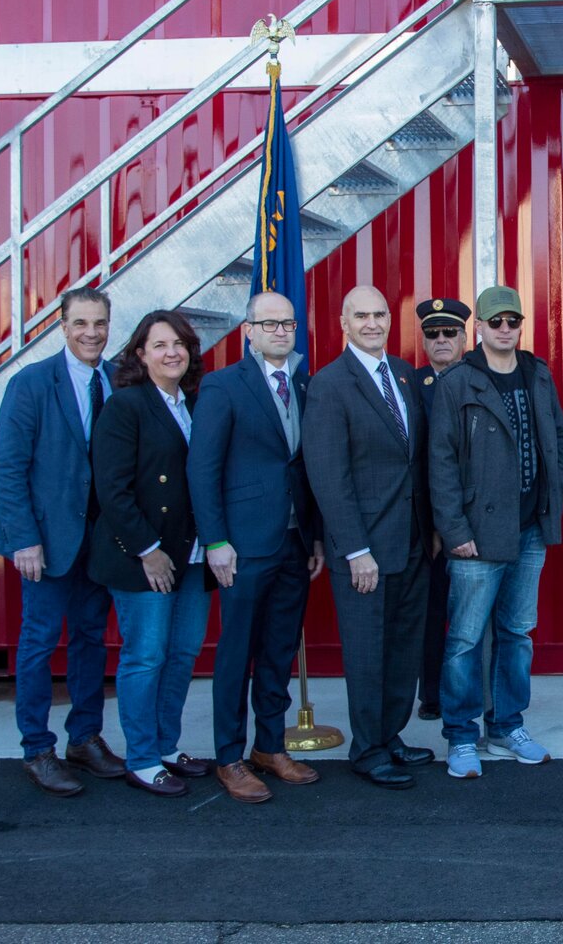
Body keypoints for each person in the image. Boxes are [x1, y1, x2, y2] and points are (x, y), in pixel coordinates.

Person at [187, 292, 326, 804]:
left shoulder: (305, 385)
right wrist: (216, 541)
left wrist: (312, 536)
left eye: (287, 323)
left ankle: (271, 746)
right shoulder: (223, 386)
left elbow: (304, 467)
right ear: (248, 330)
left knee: (278, 651)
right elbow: (202, 470)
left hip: (293, 542)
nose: (280, 331)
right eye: (268, 324)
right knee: (236, 652)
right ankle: (230, 756)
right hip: (242, 546)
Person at [429, 285, 563, 780]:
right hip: (476, 536)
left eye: (513, 321)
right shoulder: (458, 382)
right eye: (496, 322)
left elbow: (558, 437)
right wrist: (454, 529)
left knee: (517, 634)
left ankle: (507, 726)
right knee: (465, 640)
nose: (506, 329)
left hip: (530, 529)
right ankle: (462, 736)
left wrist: (554, 491)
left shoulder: (537, 373)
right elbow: (440, 463)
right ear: (480, 328)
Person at [0, 287, 127, 795]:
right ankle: (37, 749)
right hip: (44, 542)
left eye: (100, 323)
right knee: (39, 641)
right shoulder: (31, 383)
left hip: (98, 541)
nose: (92, 333)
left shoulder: (117, 379)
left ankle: (84, 739)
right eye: (81, 323)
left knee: (91, 638)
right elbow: (6, 466)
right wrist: (24, 539)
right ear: (61, 326)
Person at [304, 286, 433, 790]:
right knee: (367, 652)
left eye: (380, 314)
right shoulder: (329, 385)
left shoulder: (402, 373)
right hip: (365, 550)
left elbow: (413, 462)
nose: (373, 323)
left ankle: (391, 734)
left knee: (403, 648)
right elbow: (328, 477)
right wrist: (356, 550)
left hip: (413, 542)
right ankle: (367, 749)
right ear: (343, 322)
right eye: (362, 315)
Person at [88, 310, 215, 798]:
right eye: (160, 345)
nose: (172, 353)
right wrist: (148, 550)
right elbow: (112, 490)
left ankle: (165, 745)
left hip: (191, 553)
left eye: (179, 344)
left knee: (182, 654)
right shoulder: (127, 406)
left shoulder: (192, 402)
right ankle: (141, 757)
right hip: (145, 557)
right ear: (140, 354)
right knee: (145, 655)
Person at [413, 296, 472, 723]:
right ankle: (431, 693)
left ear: (465, 337)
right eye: (432, 334)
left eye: (449, 332)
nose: (440, 341)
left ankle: (473, 693)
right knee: (431, 614)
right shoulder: (410, 387)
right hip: (428, 527)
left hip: (476, 519)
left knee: (474, 617)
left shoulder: (481, 381)